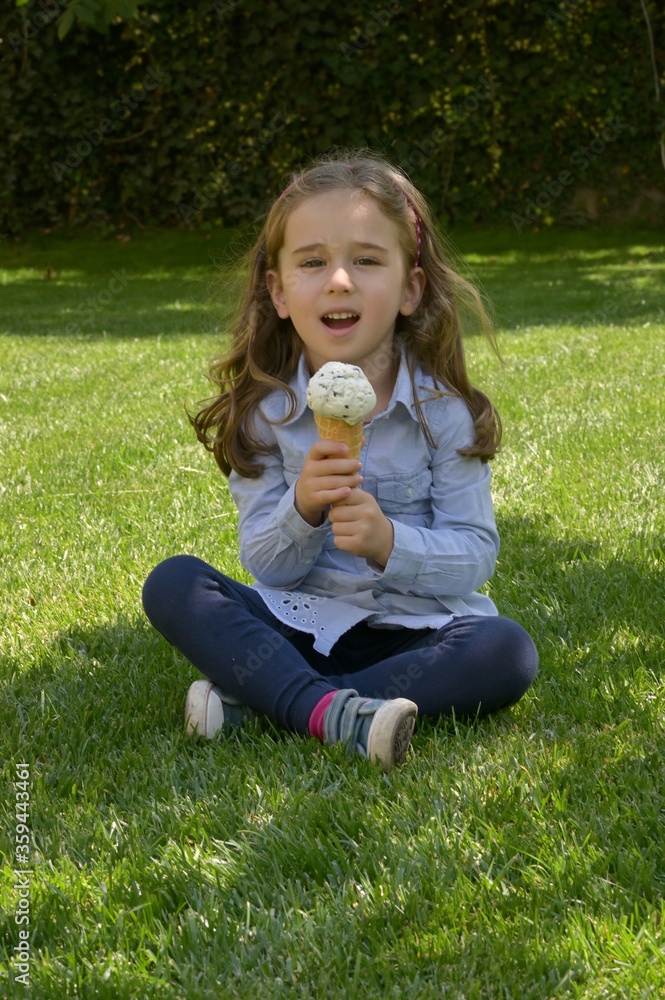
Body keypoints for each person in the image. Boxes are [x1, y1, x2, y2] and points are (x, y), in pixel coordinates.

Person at [142, 149, 538, 770]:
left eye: (367, 260)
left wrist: (390, 542)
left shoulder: (445, 415)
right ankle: (335, 712)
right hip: (298, 628)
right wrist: (301, 508)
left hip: (413, 637)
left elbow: (475, 554)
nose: (340, 280)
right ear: (278, 291)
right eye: (312, 262)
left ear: (410, 288)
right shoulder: (266, 417)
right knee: (174, 583)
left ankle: (277, 706)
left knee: (507, 649)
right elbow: (266, 567)